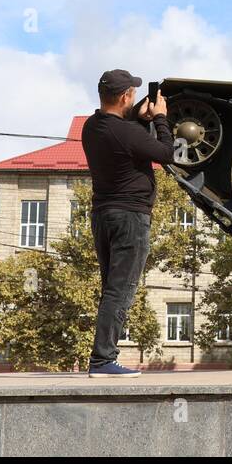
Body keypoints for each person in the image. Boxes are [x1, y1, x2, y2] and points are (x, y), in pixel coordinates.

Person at [80, 68, 173, 377]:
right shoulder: (127, 132)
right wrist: (159, 118)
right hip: (130, 219)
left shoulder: (91, 127)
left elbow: (122, 135)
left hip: (102, 216)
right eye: (131, 94)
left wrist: (139, 119)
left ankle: (102, 358)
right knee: (121, 291)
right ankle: (103, 360)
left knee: (112, 289)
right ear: (124, 97)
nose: (134, 97)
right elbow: (167, 153)